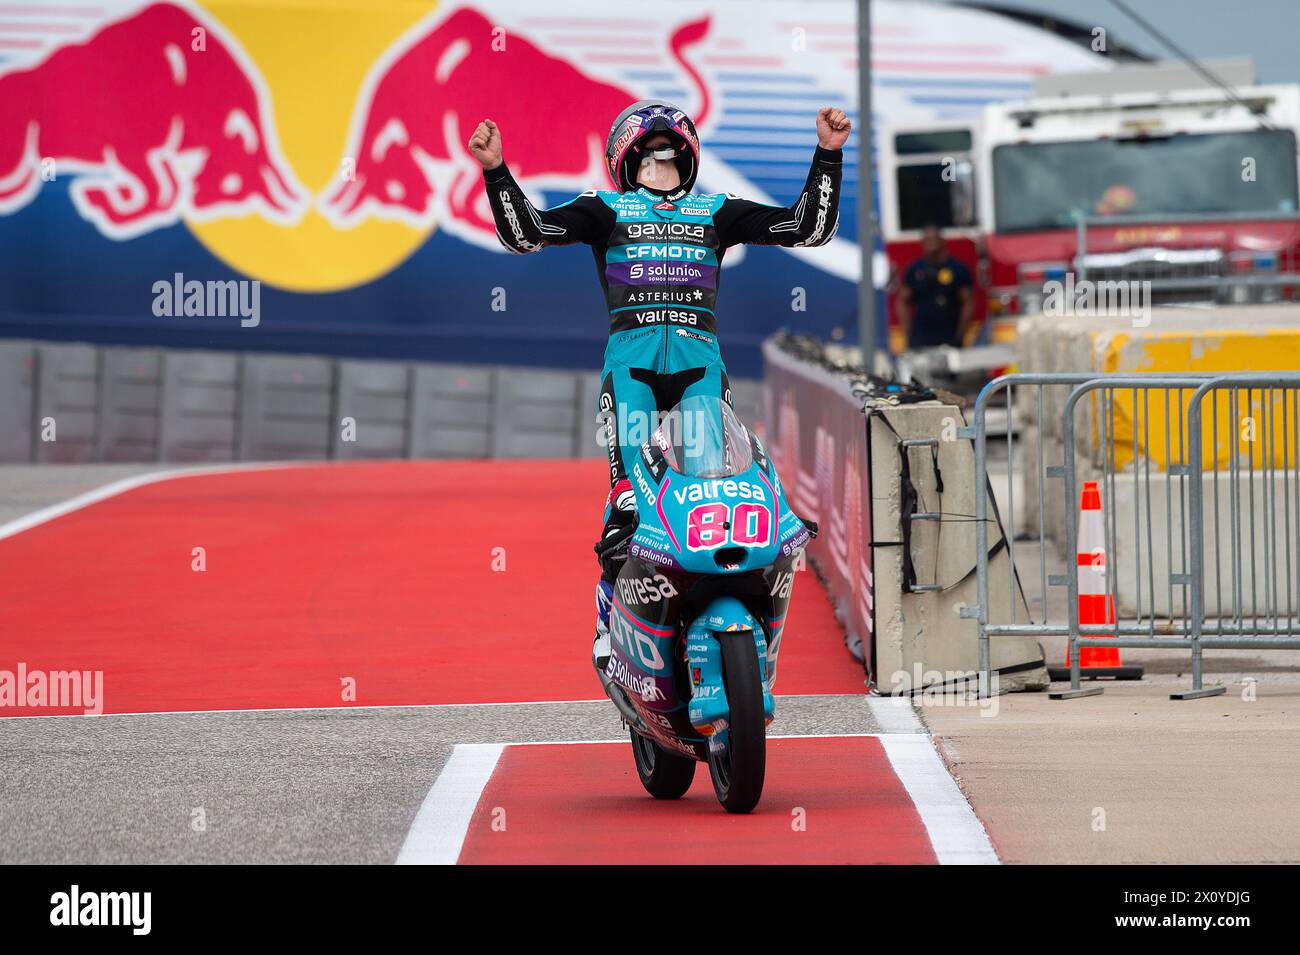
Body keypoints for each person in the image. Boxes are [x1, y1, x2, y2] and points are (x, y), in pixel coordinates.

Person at [468, 101, 849, 676]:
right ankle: (609, 625)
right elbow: (527, 235)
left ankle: (720, 613)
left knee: (714, 491)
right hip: (631, 373)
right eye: (649, 156)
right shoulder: (604, 209)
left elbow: (808, 228)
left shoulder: (715, 210)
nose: (660, 164)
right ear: (627, 159)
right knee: (630, 504)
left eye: (669, 156)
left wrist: (828, 153)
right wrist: (496, 170)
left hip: (699, 371)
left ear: (689, 158)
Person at [895, 225, 974, 349]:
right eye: (927, 240)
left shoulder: (958, 269)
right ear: (921, 243)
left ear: (942, 241)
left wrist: (960, 335)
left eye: (934, 239)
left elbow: (968, 303)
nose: (931, 243)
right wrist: (909, 334)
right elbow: (902, 302)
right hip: (920, 339)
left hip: (949, 337)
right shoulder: (914, 270)